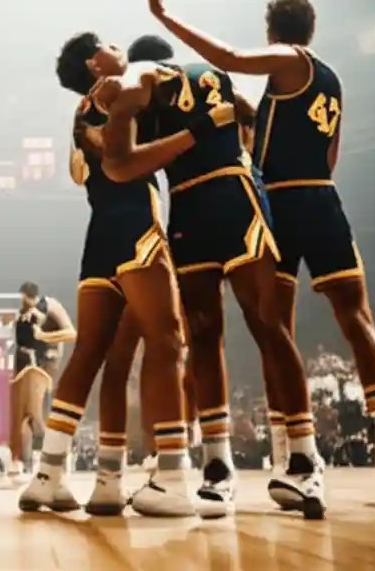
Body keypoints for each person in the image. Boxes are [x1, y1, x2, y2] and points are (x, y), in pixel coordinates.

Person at [138, 0, 375, 509]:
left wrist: (165, 17)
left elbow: (227, 56)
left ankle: (292, 456)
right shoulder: (330, 80)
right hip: (323, 198)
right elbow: (332, 152)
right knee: (347, 321)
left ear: (277, 33)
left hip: (278, 205)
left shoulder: (288, 60)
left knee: (275, 329)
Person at [77, 0, 327, 519]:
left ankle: (224, 466)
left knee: (208, 333)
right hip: (231, 194)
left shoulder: (146, 74)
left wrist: (116, 101)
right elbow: (250, 115)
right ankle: (297, 462)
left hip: (200, 204)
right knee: (264, 326)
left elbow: (122, 156)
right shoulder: (212, 77)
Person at [20, 35, 230, 517]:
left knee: (94, 355)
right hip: (136, 223)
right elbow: (125, 166)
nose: (123, 48)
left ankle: (57, 476)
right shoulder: (118, 88)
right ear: (97, 62)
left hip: (99, 238)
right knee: (169, 338)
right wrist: (197, 131)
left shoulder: (78, 115)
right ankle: (173, 475)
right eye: (112, 43)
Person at [6, 282, 76, 479]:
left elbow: (71, 333)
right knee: (22, 412)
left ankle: (57, 456)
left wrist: (43, 335)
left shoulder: (51, 305)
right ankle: (20, 458)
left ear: (31, 296)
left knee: (39, 414)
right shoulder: (22, 315)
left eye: (24, 299)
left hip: (46, 362)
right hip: (25, 363)